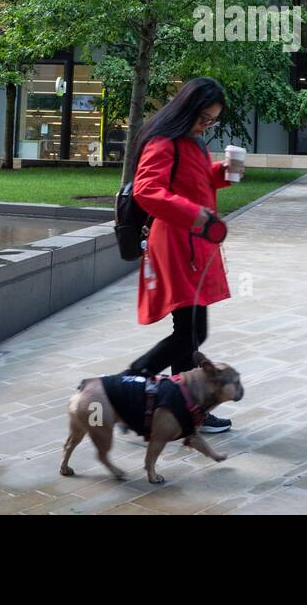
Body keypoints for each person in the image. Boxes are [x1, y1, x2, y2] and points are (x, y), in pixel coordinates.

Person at [125, 77, 243, 434]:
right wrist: (194, 215)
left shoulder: (190, 140)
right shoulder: (164, 140)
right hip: (177, 243)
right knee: (191, 333)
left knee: (189, 332)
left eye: (212, 120)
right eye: (204, 117)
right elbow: (148, 190)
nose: (206, 124)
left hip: (193, 243)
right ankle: (131, 382)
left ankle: (181, 408)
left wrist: (222, 173)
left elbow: (193, 181)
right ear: (189, 108)